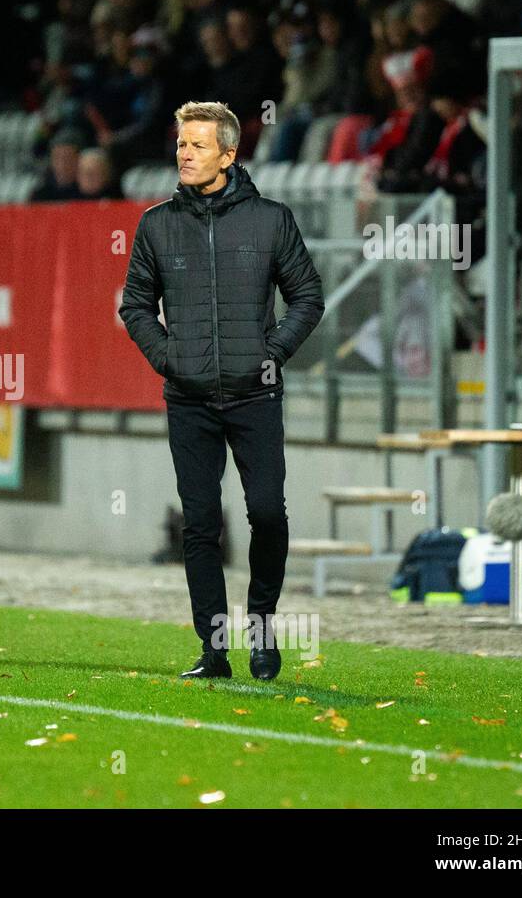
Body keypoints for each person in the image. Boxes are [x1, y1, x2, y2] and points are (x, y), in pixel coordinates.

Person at [118, 101, 324, 681]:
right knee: (201, 522)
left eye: (198, 145)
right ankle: (214, 652)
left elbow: (308, 296)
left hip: (256, 395)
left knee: (267, 513)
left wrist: (273, 352)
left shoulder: (271, 220)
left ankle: (262, 629)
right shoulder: (157, 223)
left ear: (229, 155)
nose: (185, 154)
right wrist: (169, 358)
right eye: (181, 143)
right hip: (188, 400)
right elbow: (134, 304)